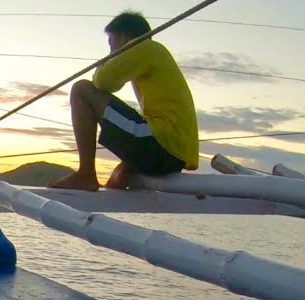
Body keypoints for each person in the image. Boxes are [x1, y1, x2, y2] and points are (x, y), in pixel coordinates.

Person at [48, 12, 198, 191]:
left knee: (81, 89)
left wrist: (103, 65)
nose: (111, 51)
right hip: (172, 152)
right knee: (116, 179)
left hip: (161, 144)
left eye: (111, 43)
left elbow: (104, 82)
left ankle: (86, 174)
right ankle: (101, 174)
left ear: (123, 37)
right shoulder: (155, 54)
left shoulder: (147, 48)